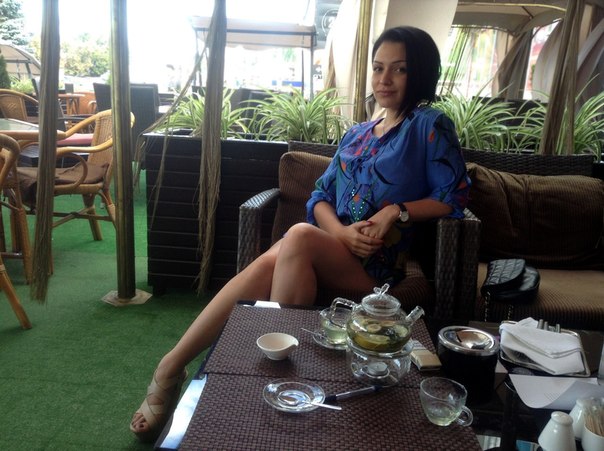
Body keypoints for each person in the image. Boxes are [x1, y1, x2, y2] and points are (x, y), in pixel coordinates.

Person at [130, 25, 470, 442]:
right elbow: (320, 196)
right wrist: (340, 234)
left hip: (377, 270)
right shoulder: (359, 133)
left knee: (296, 238)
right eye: (378, 68)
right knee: (285, 249)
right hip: (336, 249)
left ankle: (254, 388)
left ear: (420, 72)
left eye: (398, 69)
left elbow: (453, 196)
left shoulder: (429, 125)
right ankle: (177, 367)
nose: (384, 79)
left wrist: (395, 211)